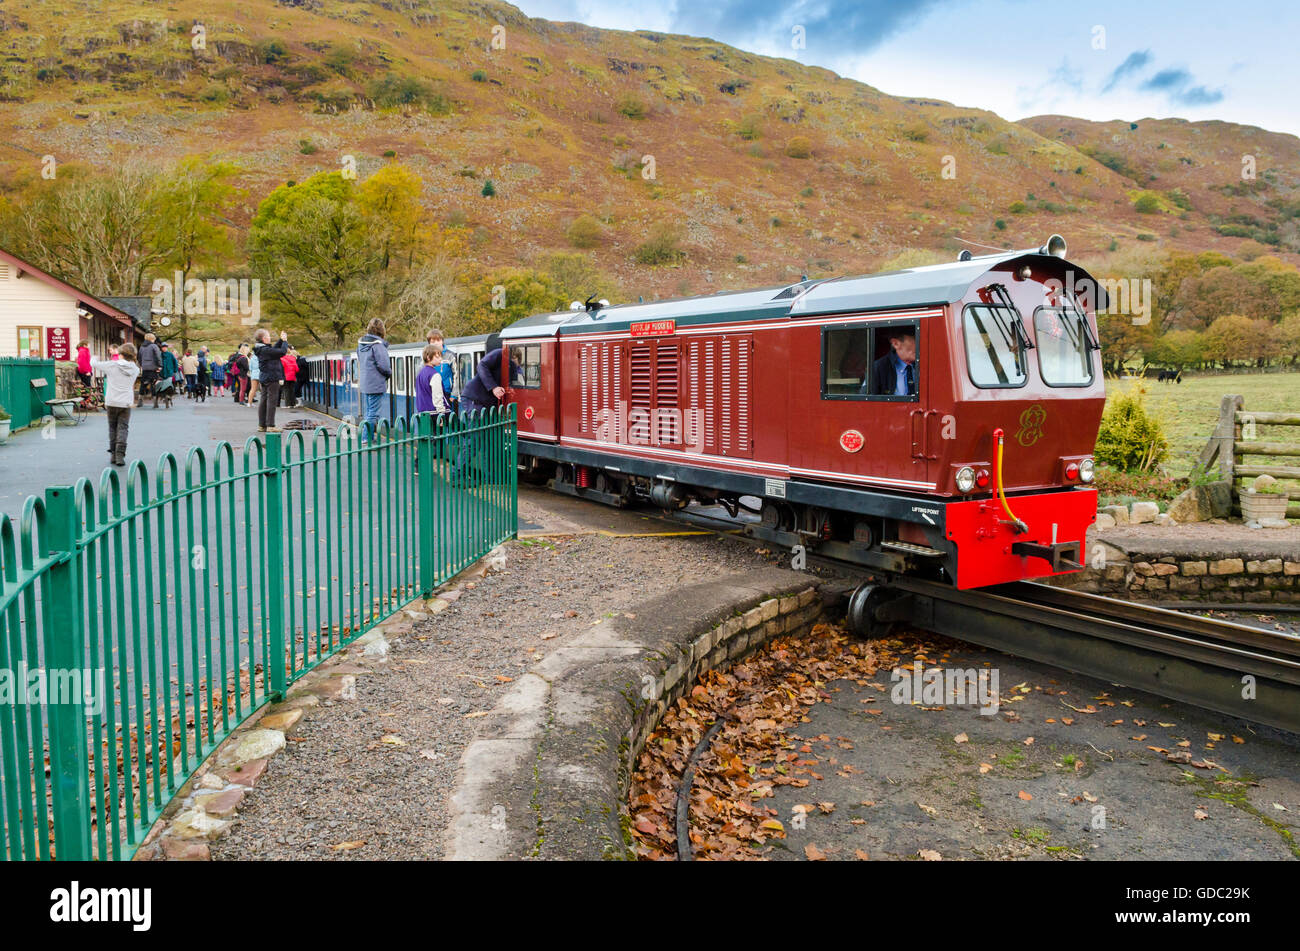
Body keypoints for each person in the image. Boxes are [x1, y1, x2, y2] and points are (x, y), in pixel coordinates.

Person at [453, 336, 520, 483]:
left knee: (490, 440)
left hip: (489, 405)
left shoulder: (513, 366)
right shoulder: (498, 354)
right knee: (474, 440)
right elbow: (481, 365)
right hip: (474, 399)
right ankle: (457, 475)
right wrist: (494, 387)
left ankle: (490, 476)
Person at [90, 343, 140, 467]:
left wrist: (94, 357)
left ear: (120, 354)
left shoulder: (112, 365)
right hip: (126, 402)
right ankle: (120, 455)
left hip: (111, 401)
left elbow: (94, 364)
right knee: (123, 428)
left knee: (112, 427)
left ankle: (113, 454)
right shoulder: (135, 369)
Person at [357, 318, 391, 442]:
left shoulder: (361, 345)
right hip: (376, 383)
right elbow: (385, 366)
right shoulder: (378, 346)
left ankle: (369, 437)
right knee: (373, 413)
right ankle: (366, 438)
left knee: (369, 411)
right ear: (382, 330)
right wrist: (388, 374)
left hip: (366, 383)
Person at [253, 328, 290, 433]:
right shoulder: (265, 350)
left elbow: (274, 350)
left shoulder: (262, 349)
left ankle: (262, 425)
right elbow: (282, 352)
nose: (270, 338)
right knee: (272, 401)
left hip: (264, 377)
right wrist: (285, 341)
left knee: (264, 401)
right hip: (272, 377)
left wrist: (281, 340)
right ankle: (270, 425)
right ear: (264, 339)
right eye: (268, 336)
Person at [868, 330, 918, 397]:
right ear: (895, 343)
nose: (921, 343)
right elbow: (865, 401)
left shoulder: (927, 364)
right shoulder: (879, 367)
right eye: (915, 339)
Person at [137, 332, 162, 407]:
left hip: (145, 368)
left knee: (143, 384)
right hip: (153, 368)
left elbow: (139, 358)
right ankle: (155, 402)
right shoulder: (154, 346)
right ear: (152, 339)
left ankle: (140, 400)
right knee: (153, 384)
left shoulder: (142, 347)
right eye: (154, 339)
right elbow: (158, 356)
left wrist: (142, 365)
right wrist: (160, 365)